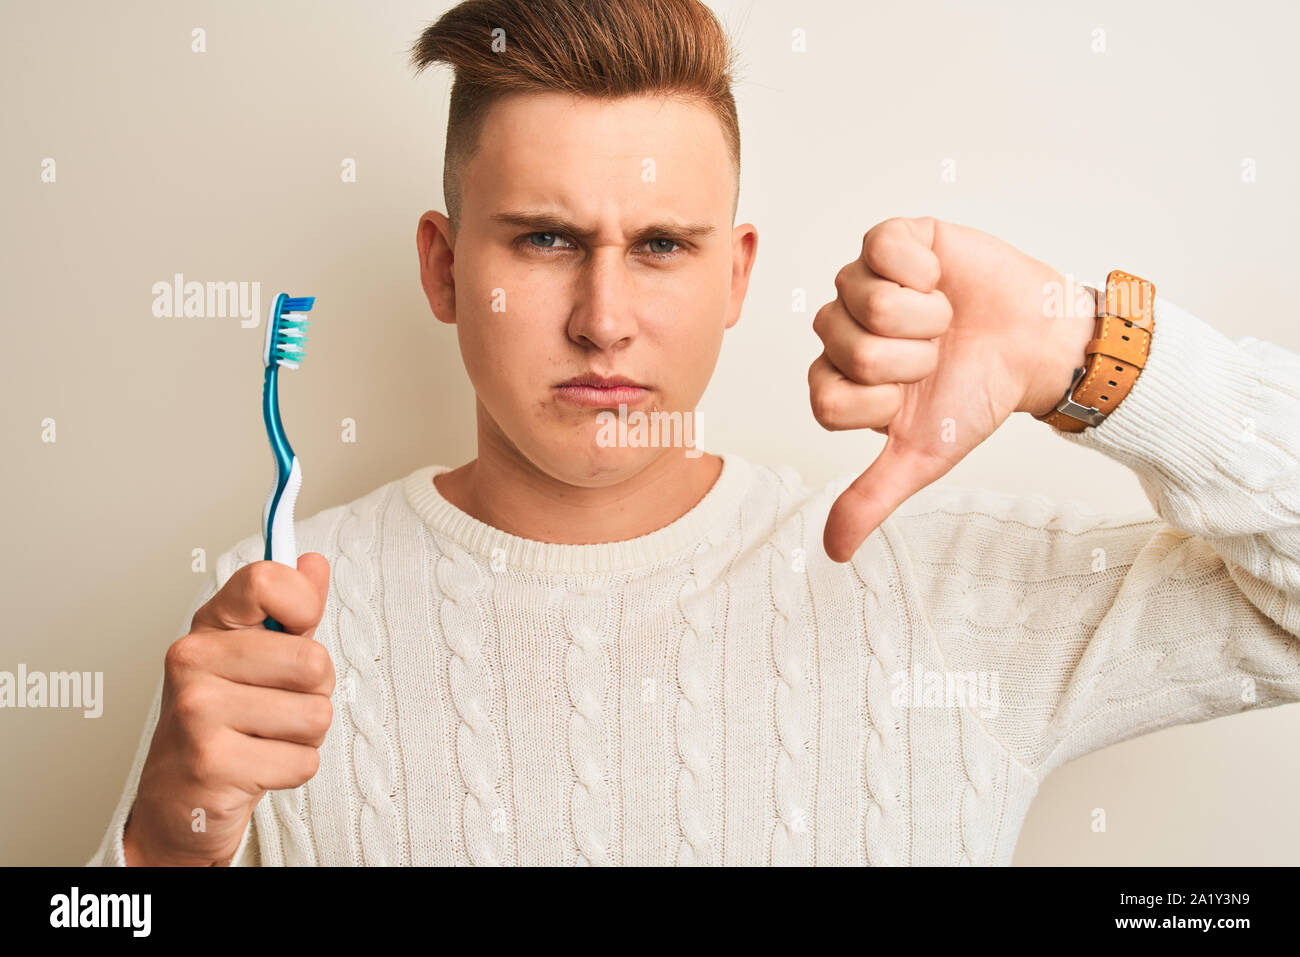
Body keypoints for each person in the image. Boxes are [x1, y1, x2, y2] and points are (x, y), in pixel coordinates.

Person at [89, 0, 1300, 867]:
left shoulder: (942, 593)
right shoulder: (274, 633)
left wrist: (1084, 351)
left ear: (735, 275)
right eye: (546, 240)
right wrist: (158, 847)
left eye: (662, 247)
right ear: (445, 267)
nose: (604, 320)